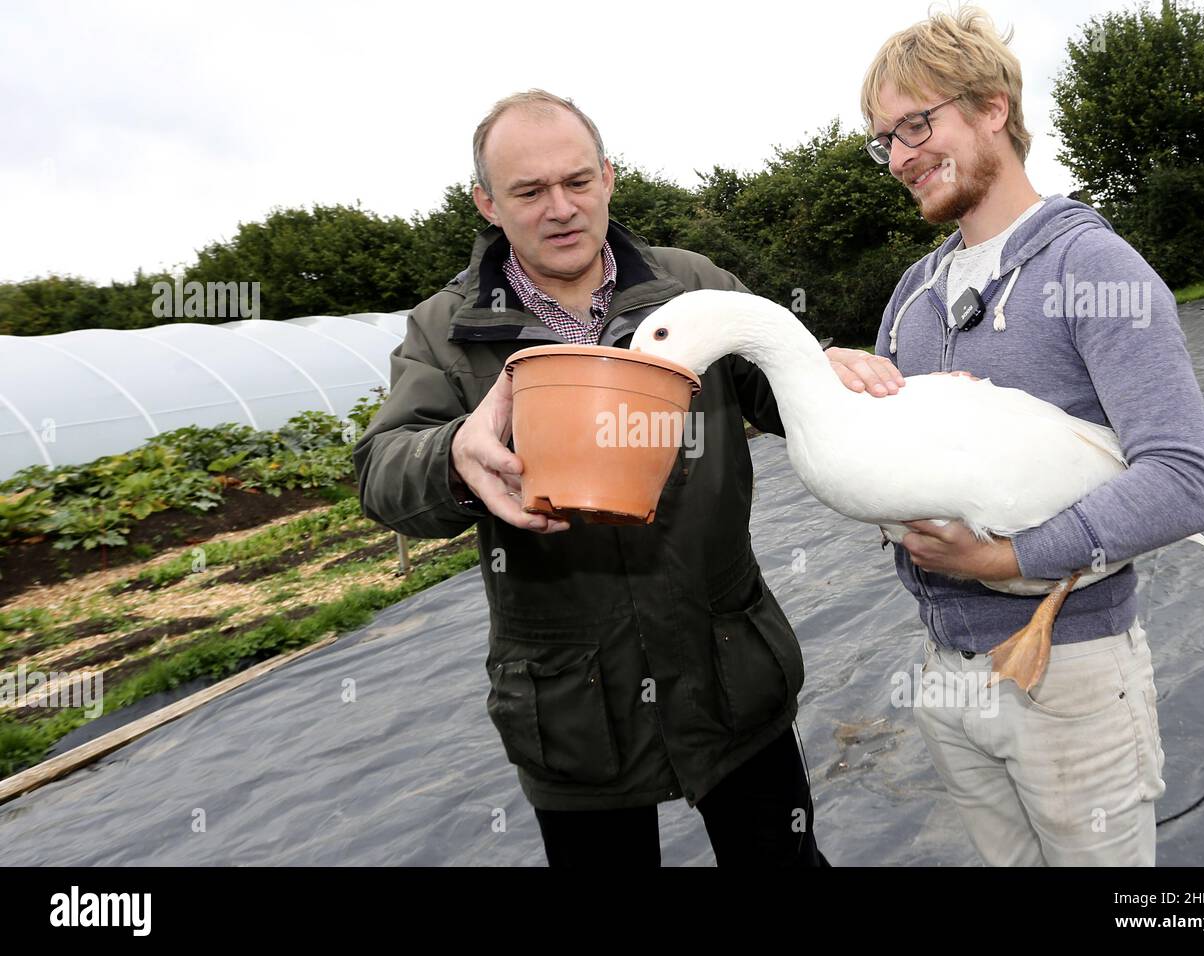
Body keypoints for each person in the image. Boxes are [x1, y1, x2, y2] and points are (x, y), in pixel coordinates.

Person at [352, 89, 900, 866]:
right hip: (572, 706)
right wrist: (452, 458)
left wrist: (828, 370)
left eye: (578, 181)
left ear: (609, 176)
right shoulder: (447, 330)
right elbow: (379, 470)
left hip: (728, 672)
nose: (561, 208)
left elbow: (779, 389)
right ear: (486, 203)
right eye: (529, 191)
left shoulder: (693, 286)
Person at [860, 8, 1204, 865]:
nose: (902, 155)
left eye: (919, 123)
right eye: (884, 140)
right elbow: (885, 453)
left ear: (993, 109)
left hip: (1073, 674)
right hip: (948, 668)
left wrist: (1006, 559)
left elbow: (1185, 479)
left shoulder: (1090, 268)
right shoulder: (912, 294)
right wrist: (842, 389)